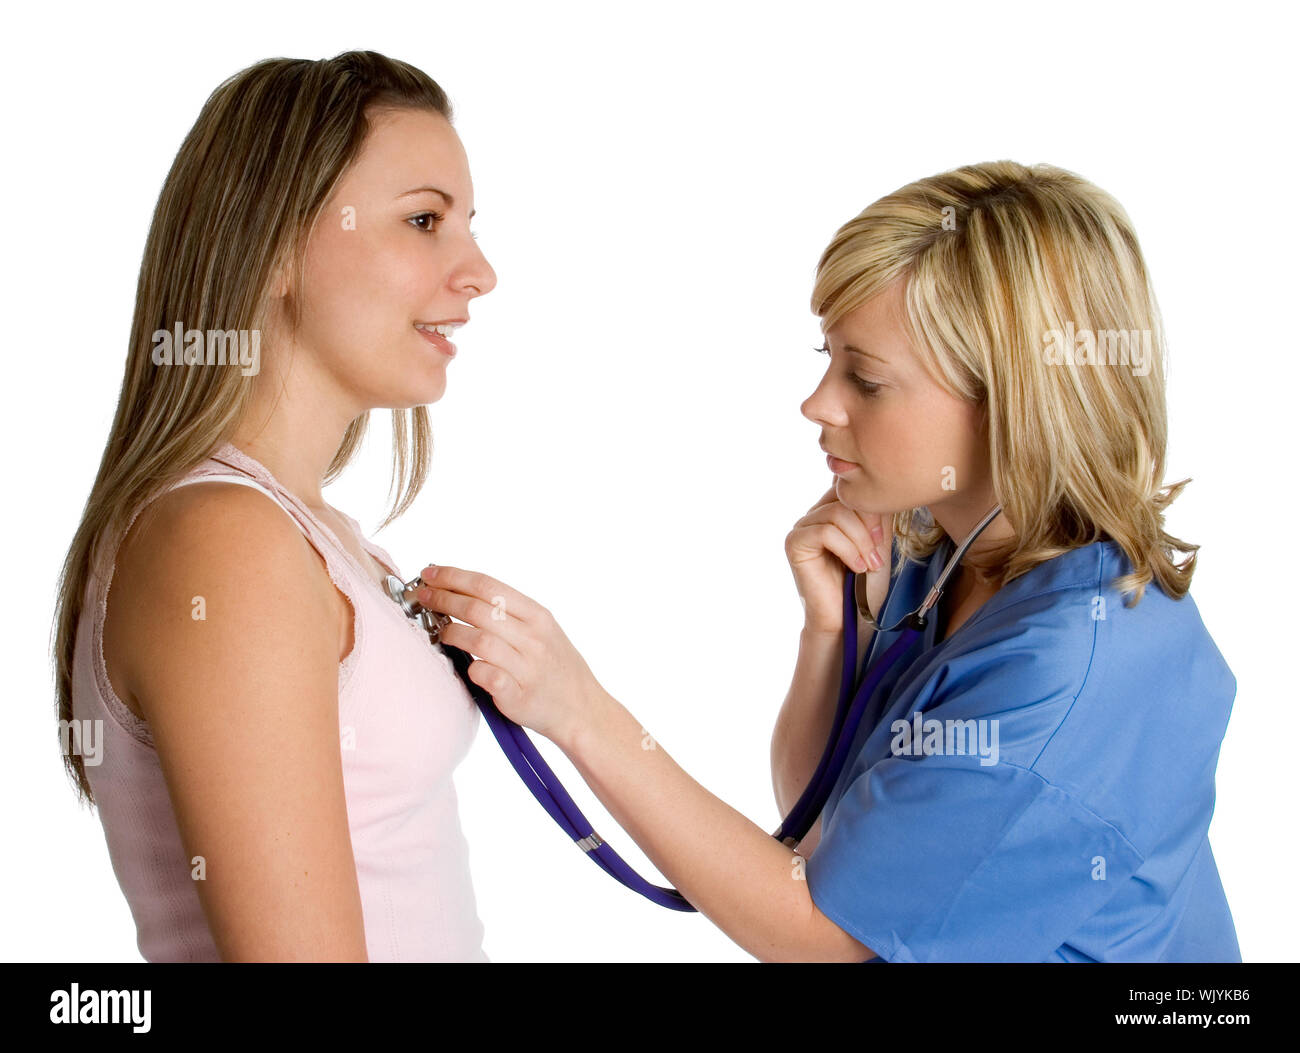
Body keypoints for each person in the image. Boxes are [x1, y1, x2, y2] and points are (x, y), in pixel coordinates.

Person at [417, 161, 1241, 962]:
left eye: (869, 380)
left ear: (1016, 401)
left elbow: (827, 936)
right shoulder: (942, 551)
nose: (818, 405)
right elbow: (824, 824)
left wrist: (579, 710)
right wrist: (831, 632)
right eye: (828, 357)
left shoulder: (1070, 671)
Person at [53, 51, 498, 961]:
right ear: (277, 247)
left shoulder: (306, 531)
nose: (479, 271)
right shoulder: (223, 543)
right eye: (423, 220)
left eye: (466, 224)